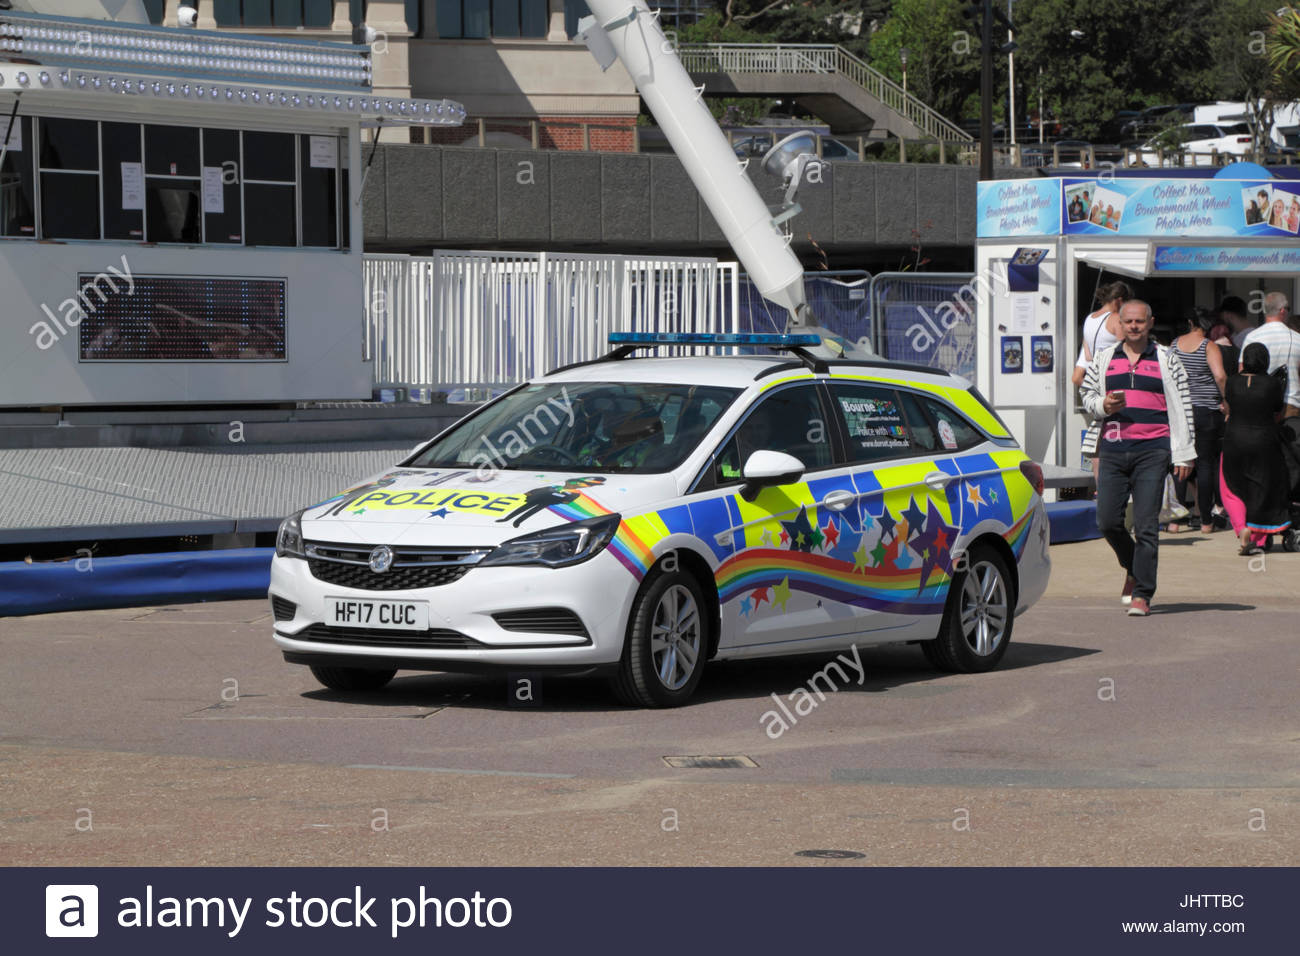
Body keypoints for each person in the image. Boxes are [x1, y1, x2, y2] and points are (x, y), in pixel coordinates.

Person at [1080, 300, 1195, 617]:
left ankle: (1143, 593)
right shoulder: (1104, 359)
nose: (1133, 326)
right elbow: (1087, 397)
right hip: (1113, 450)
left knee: (1146, 525)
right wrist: (1104, 405)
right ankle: (1133, 566)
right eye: (1128, 321)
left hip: (1153, 451)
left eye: (1140, 322)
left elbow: (1183, 406)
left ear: (1150, 322)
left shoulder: (1166, 359)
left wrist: (1184, 453)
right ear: (1119, 323)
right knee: (1108, 522)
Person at [1220, 344, 1291, 555]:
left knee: (1231, 488)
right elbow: (1278, 409)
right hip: (1264, 441)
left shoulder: (1232, 382)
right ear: (1265, 361)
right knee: (1261, 487)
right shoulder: (1272, 384)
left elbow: (1230, 405)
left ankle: (1242, 529)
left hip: (1234, 440)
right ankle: (1259, 538)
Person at [1171, 306, 1227, 533]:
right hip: (1207, 411)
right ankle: (1205, 521)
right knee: (1205, 465)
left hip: (1181, 410)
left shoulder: (1174, 345)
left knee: (1180, 462)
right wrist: (1228, 402)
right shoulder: (1208, 346)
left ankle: (1174, 521)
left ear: (1190, 322)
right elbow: (1220, 376)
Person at [1240, 291, 1300, 417]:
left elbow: (1242, 373)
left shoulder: (1252, 337)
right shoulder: (1297, 339)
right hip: (1291, 403)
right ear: (1282, 310)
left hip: (1259, 403)